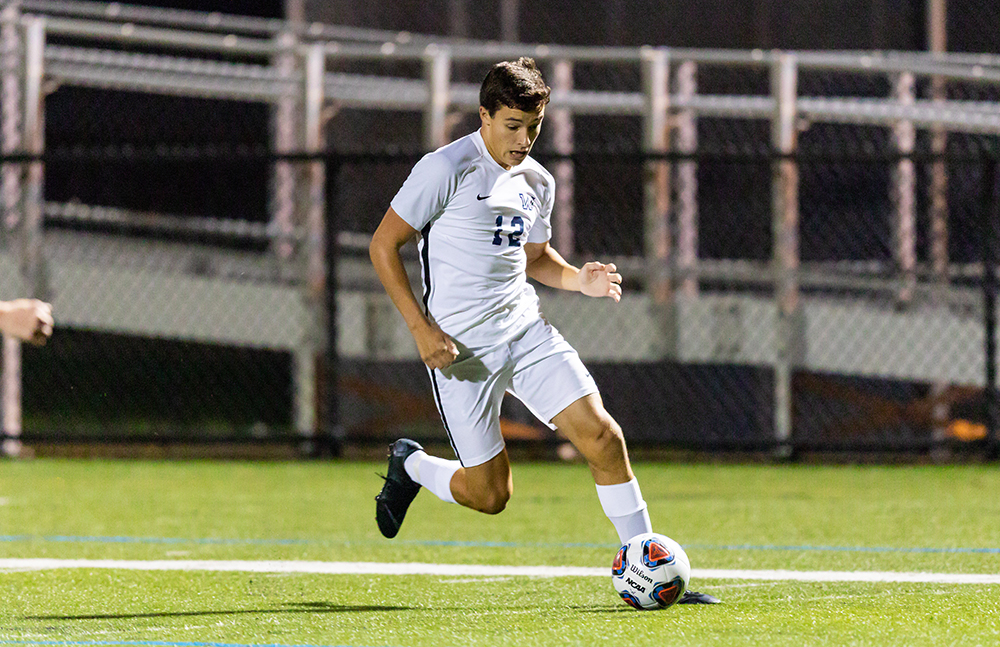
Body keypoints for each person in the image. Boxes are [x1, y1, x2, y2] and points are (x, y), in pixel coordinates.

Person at [370, 57, 717, 604]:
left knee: (603, 436)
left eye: (533, 127)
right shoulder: (445, 168)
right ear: (483, 116)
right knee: (490, 496)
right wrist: (419, 326)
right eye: (512, 126)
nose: (523, 139)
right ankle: (412, 464)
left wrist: (580, 280)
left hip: (526, 331)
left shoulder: (537, 180)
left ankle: (649, 564)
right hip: (463, 352)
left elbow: (534, 258)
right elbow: (382, 245)